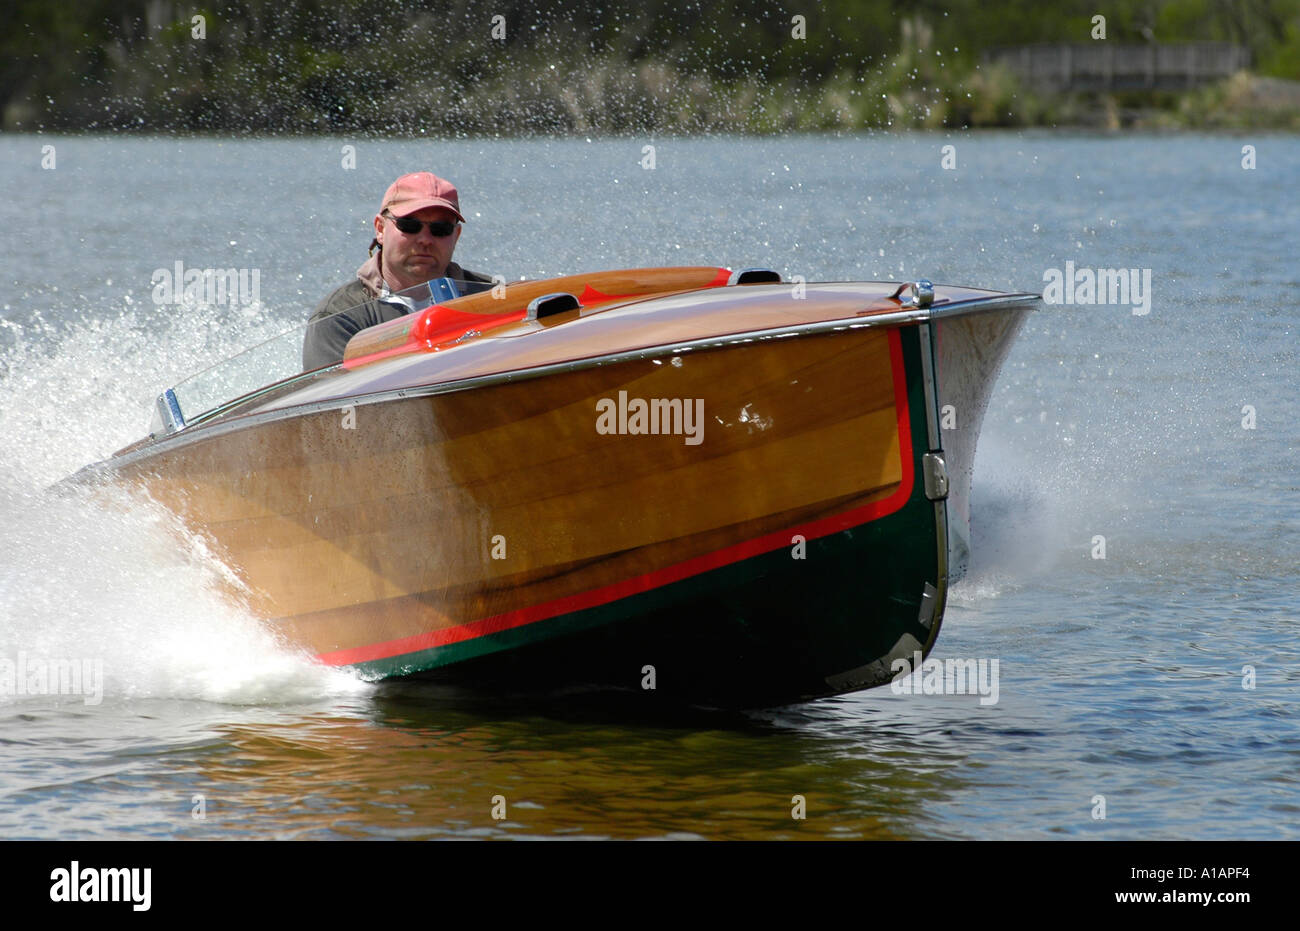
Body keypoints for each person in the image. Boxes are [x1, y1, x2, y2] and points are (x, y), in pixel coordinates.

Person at [302, 171, 494, 369]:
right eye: (409, 225)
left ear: (457, 235)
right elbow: (334, 395)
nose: (425, 239)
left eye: (440, 228)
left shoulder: (495, 298)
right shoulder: (338, 316)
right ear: (380, 229)